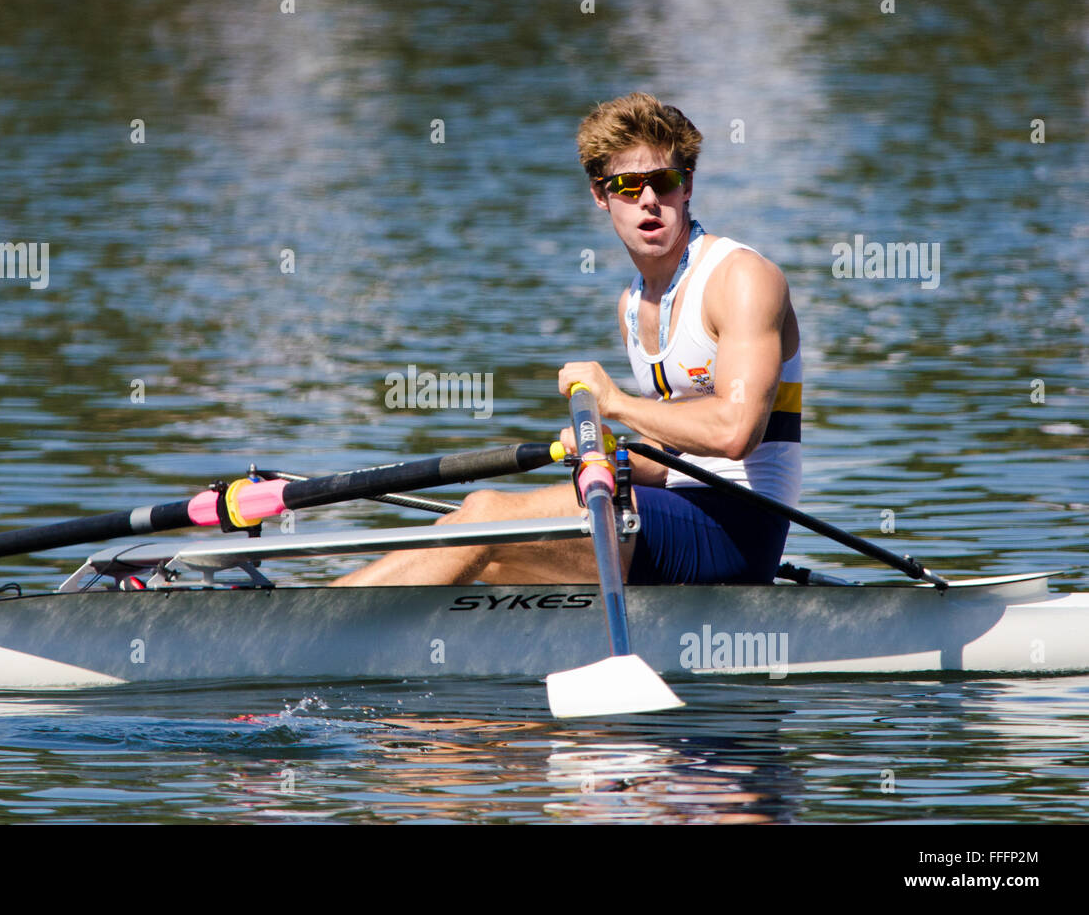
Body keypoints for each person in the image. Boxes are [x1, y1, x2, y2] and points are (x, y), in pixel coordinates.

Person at [334, 93, 801, 587]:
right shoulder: (632, 305)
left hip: (738, 529)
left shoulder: (741, 278)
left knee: (489, 518)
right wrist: (612, 454)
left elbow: (733, 431)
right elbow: (672, 456)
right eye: (627, 185)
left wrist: (614, 403)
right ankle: (335, 624)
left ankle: (316, 624)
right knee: (474, 539)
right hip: (672, 511)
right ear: (601, 195)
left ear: (686, 187)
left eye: (664, 182)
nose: (648, 200)